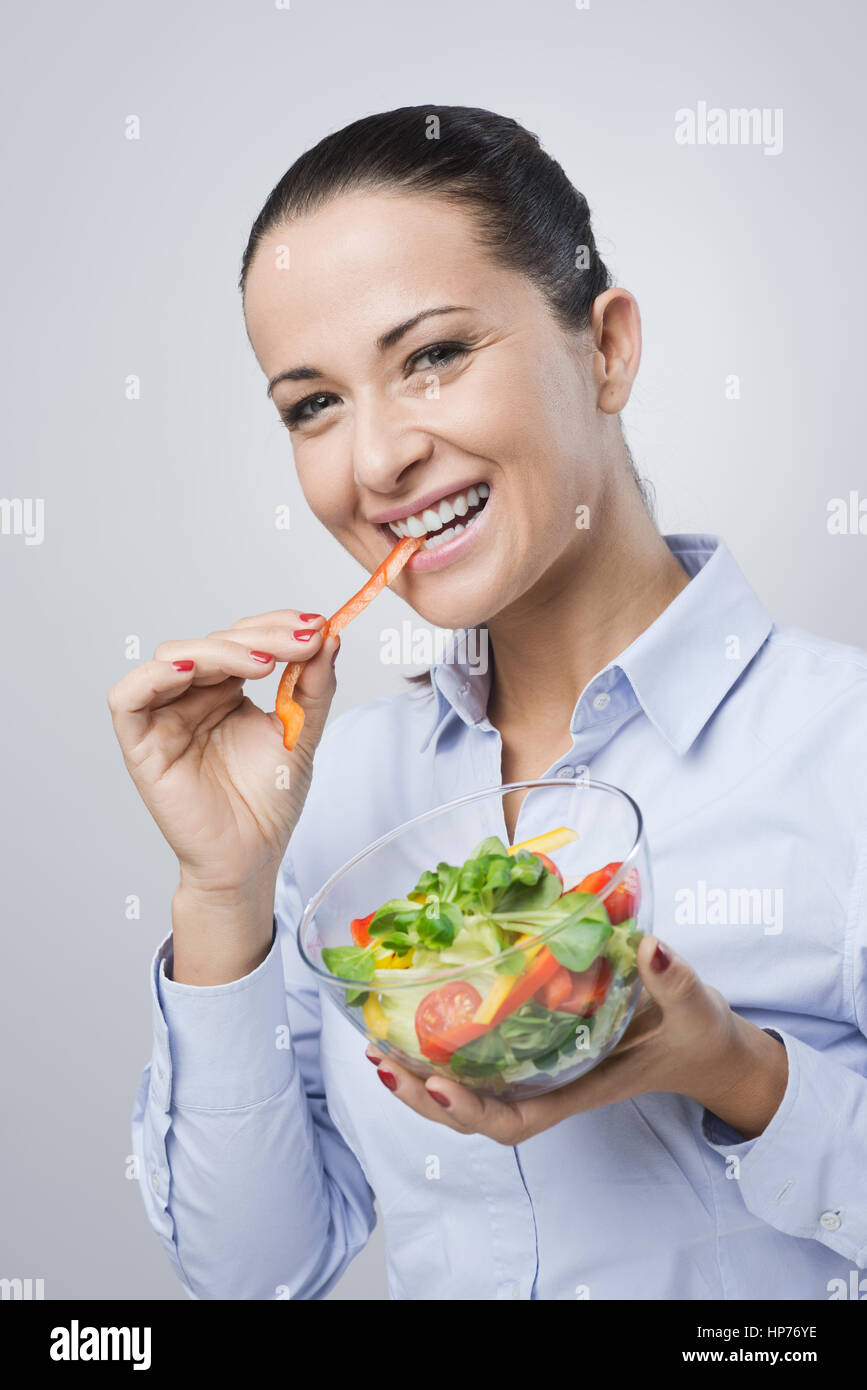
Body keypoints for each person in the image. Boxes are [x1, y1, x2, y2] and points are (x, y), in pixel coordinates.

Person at [109, 106, 867, 1301]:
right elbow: (252, 1273)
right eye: (313, 404)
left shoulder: (844, 751)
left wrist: (740, 1074)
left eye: (433, 356)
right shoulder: (339, 793)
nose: (374, 463)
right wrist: (224, 893)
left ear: (606, 348)